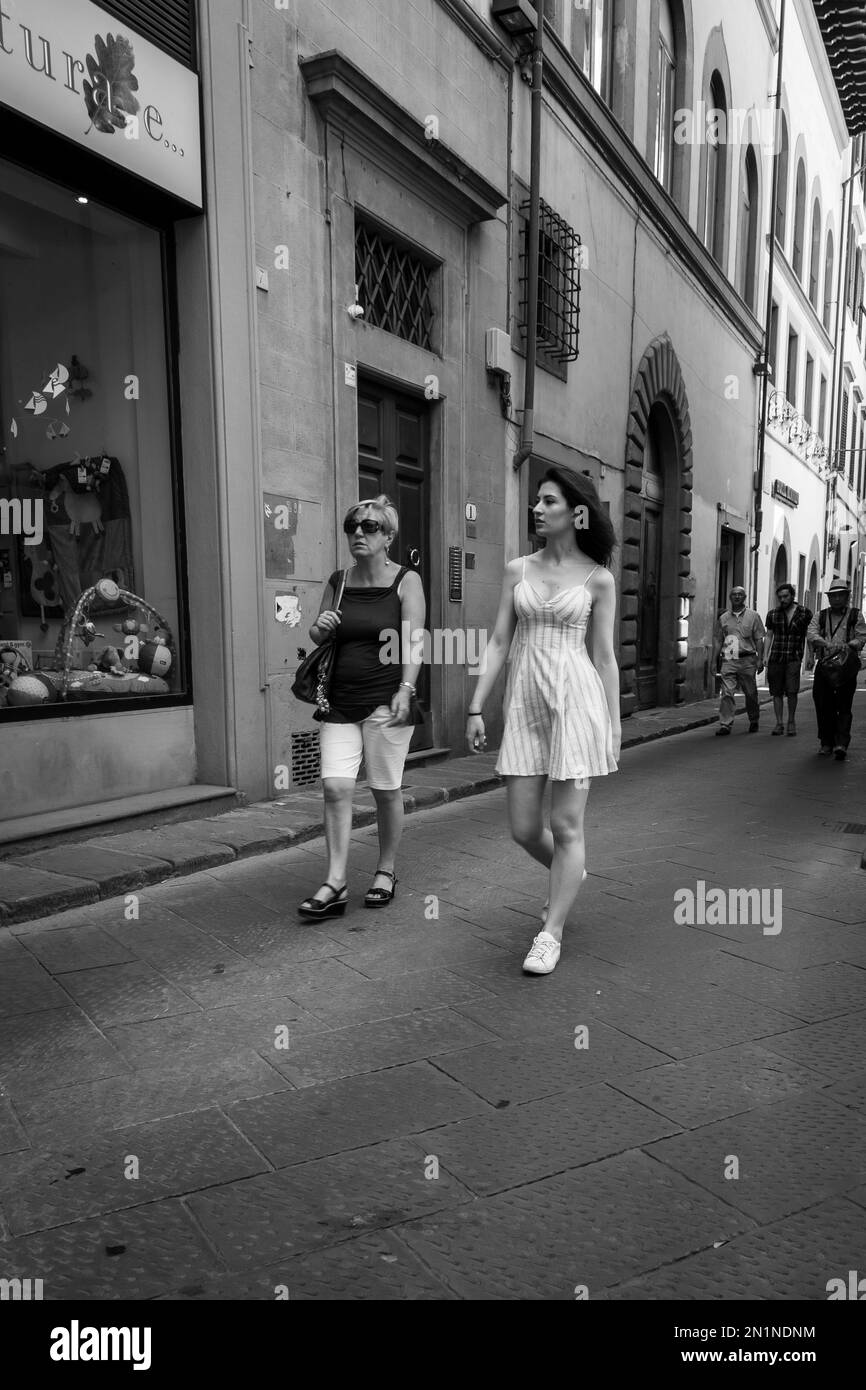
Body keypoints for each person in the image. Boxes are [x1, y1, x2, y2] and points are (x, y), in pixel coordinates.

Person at [466, 467, 620, 977]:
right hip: (525, 703)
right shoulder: (518, 570)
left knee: (565, 824)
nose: (537, 508)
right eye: (537, 500)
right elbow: (497, 643)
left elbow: (603, 658)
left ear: (575, 512)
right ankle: (568, 871)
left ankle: (550, 932)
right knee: (525, 828)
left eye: (548, 501)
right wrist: (475, 704)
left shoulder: (599, 579)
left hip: (577, 703)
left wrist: (614, 727)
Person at [298, 496, 425, 918]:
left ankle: (385, 870)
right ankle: (335, 881)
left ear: (388, 536)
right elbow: (318, 636)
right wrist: (320, 627)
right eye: (353, 525)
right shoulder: (338, 580)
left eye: (370, 527)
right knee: (336, 788)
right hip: (339, 701)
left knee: (385, 790)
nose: (358, 532)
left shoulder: (407, 581)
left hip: (387, 702)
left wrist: (407, 688)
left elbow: (415, 641)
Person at [806, 578, 866, 761]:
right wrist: (826, 644)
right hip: (825, 665)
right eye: (833, 596)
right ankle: (826, 742)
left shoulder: (856, 615)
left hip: (846, 667)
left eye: (840, 595)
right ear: (829, 598)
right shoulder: (821, 615)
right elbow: (811, 633)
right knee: (823, 704)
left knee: (844, 705)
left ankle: (841, 743)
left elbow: (861, 636)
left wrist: (849, 645)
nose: (836, 599)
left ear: (846, 597)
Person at [711, 587, 765, 736]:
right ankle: (725, 724)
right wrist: (714, 661)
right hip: (729, 658)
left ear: (744, 597)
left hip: (747, 659)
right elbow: (718, 640)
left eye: (739, 595)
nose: (736, 597)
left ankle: (754, 719)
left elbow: (759, 638)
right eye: (734, 594)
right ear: (730, 597)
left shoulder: (753, 616)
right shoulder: (723, 618)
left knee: (751, 693)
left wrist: (760, 659)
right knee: (727, 693)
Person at [762, 583, 812, 737]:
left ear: (792, 596)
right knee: (776, 692)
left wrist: (811, 655)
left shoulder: (804, 613)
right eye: (780, 597)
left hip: (794, 657)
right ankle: (779, 723)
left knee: (792, 691)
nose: (782, 600)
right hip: (776, 657)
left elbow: (809, 635)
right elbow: (769, 635)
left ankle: (791, 721)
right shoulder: (773, 614)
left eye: (785, 596)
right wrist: (765, 655)